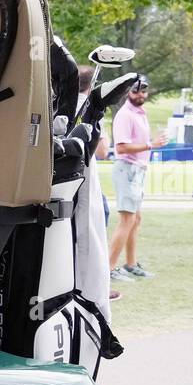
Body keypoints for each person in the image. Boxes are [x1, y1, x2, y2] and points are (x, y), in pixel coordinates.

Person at [108, 76, 165, 282]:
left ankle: (131, 264)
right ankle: (109, 268)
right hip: (127, 169)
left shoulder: (141, 113)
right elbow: (121, 147)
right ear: (127, 92)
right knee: (127, 219)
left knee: (136, 219)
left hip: (138, 169)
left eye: (144, 91)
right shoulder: (125, 115)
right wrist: (152, 145)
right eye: (136, 91)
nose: (141, 94)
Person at [77, 67, 119, 302]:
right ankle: (97, 289)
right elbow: (102, 151)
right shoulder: (90, 109)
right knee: (95, 236)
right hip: (88, 184)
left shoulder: (64, 104)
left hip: (70, 186)